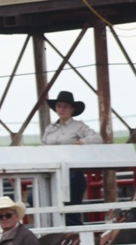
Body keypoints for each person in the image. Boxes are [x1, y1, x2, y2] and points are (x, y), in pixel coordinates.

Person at [42, 91, 102, 226]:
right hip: (52, 173)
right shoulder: (50, 128)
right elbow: (43, 147)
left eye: (65, 106)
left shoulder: (79, 126)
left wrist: (82, 142)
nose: (61, 109)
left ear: (72, 109)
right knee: (35, 198)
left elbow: (97, 139)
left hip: (72, 174)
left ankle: (77, 240)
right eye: (59, 106)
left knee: (70, 211)